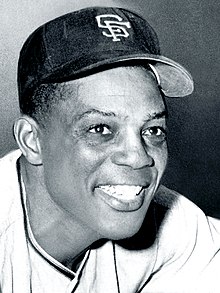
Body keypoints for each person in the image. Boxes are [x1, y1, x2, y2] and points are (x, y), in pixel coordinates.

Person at [0, 6, 219, 293]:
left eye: (153, 130)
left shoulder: (175, 227)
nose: (139, 157)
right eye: (100, 129)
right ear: (32, 140)